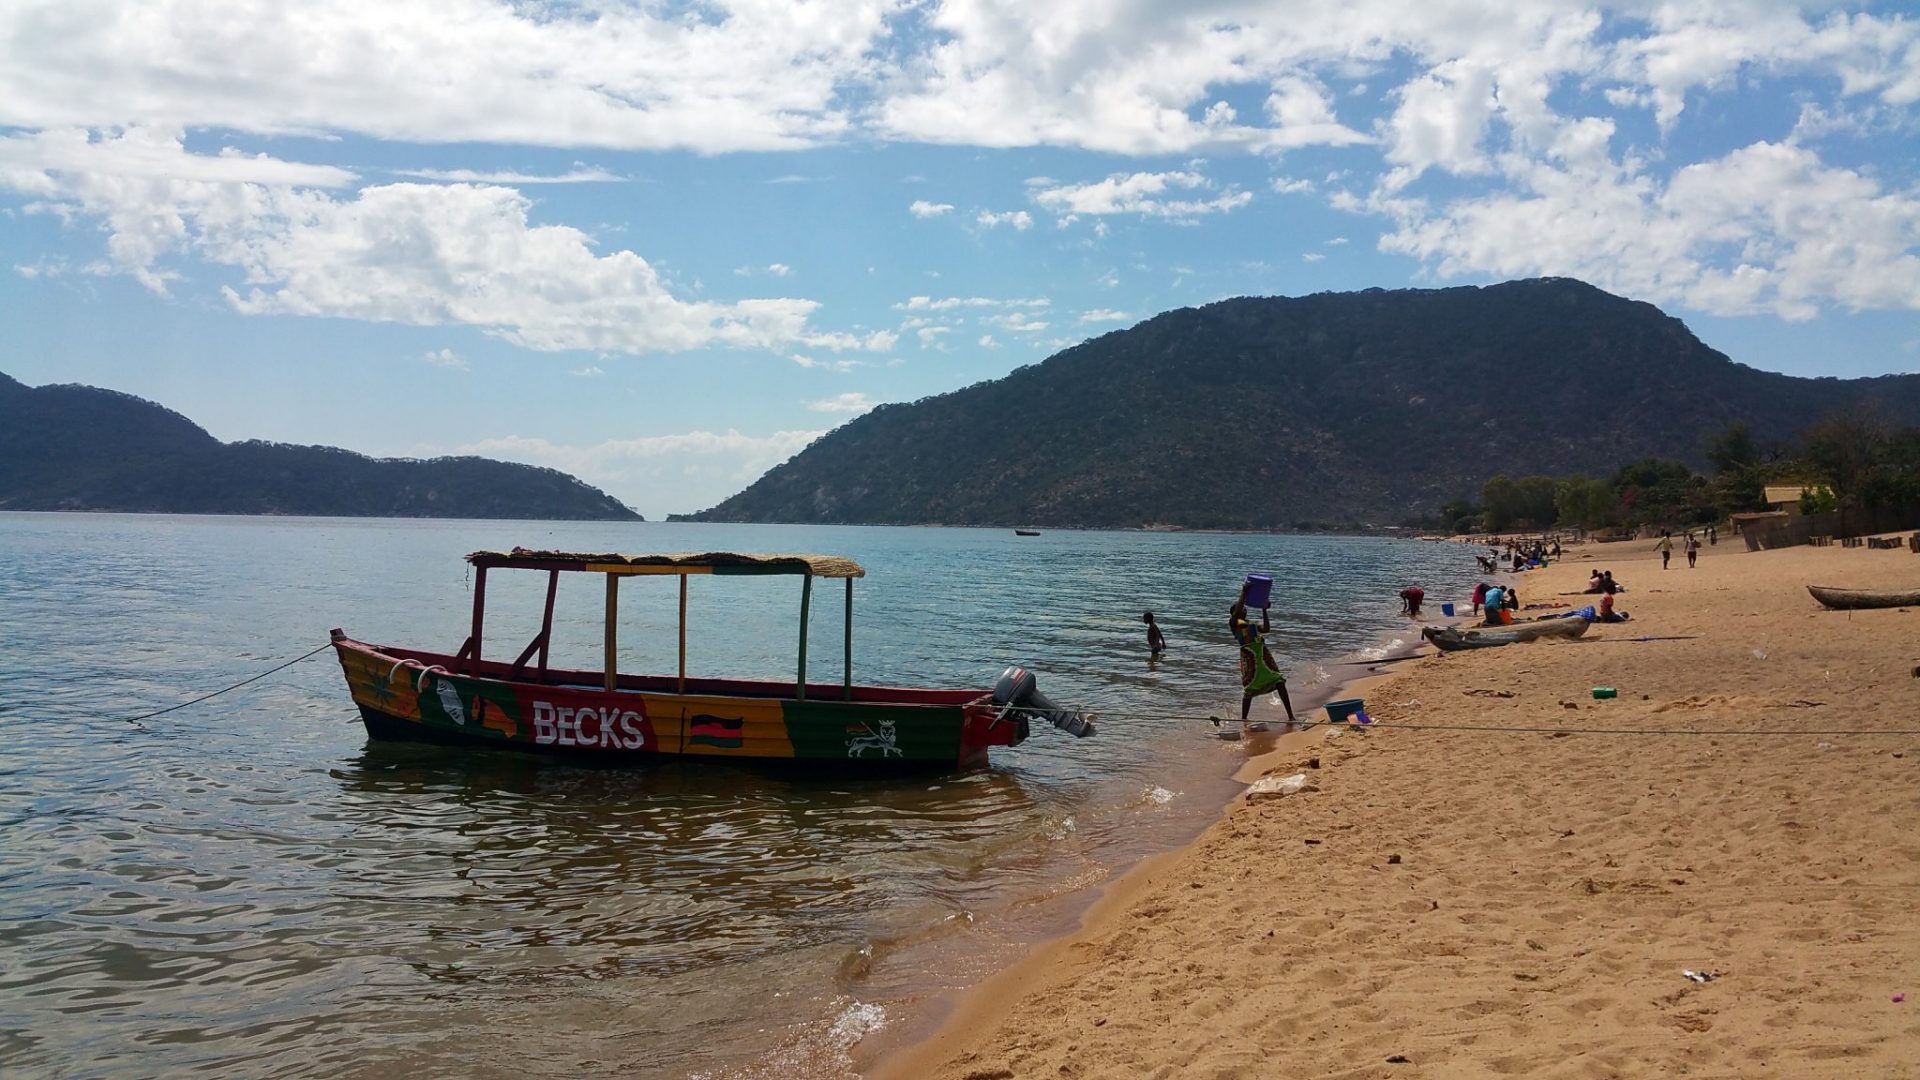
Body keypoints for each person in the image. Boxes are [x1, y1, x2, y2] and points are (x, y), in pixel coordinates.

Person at [1230, 590, 1296, 730]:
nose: (1242, 609)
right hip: (1250, 659)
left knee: (1279, 682)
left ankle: (1291, 715)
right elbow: (1237, 611)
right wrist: (1244, 591)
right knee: (1249, 689)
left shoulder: (1251, 625)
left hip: (1262, 659)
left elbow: (1266, 629)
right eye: (1239, 608)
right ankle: (1244, 719)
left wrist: (1264, 610)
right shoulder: (1234, 623)